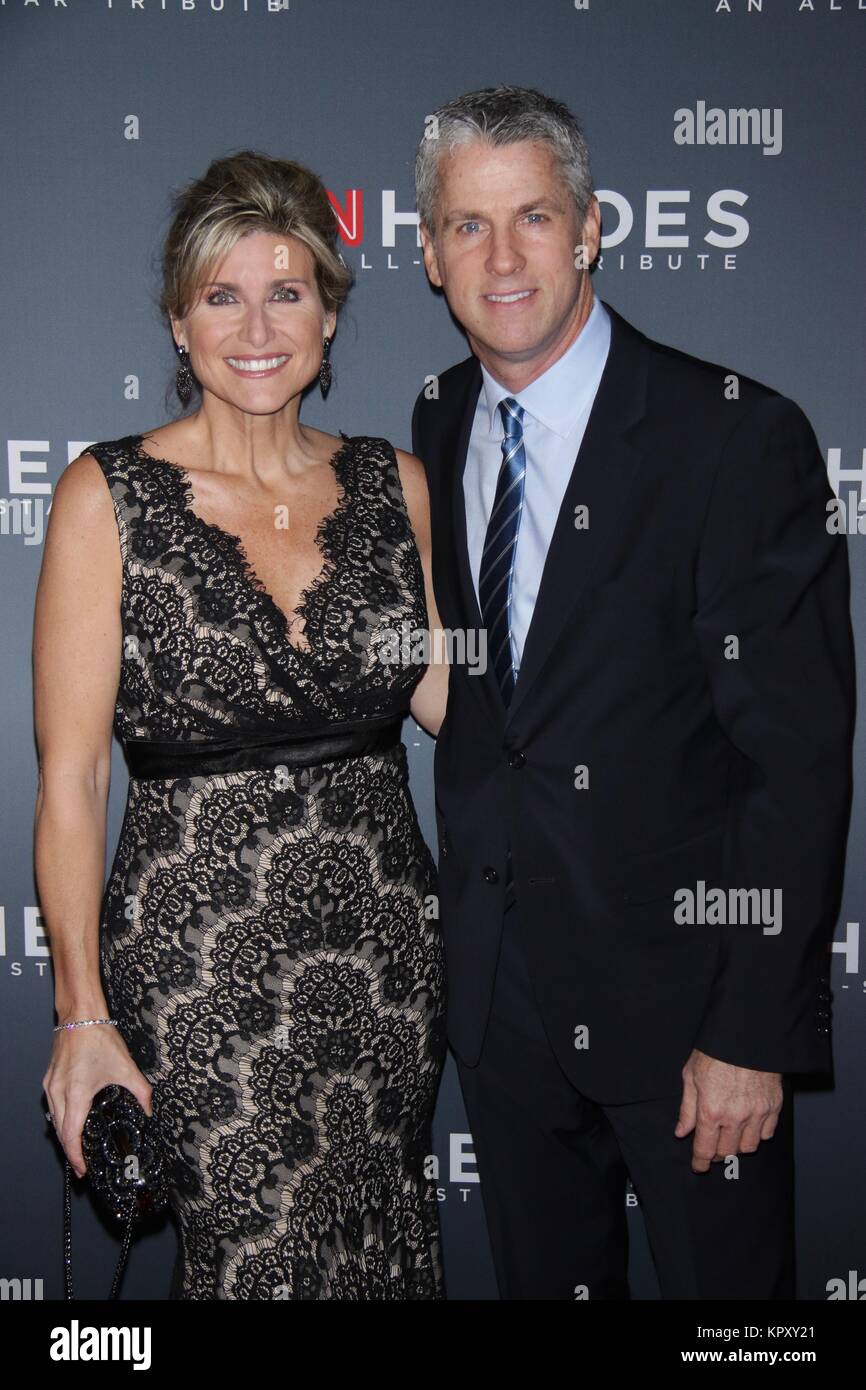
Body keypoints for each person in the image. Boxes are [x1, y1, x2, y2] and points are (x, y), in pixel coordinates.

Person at [411, 86, 855, 1300]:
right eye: (466, 226)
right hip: (502, 1009)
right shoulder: (440, 421)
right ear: (428, 253)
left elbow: (797, 760)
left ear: (591, 227)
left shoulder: (735, 436)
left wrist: (750, 1031)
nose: (501, 258)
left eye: (532, 217)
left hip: (688, 1020)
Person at [35, 150, 449, 1300]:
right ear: (178, 322)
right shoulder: (104, 495)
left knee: (376, 1251)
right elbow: (68, 783)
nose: (256, 325)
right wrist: (82, 1016)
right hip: (197, 963)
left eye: (288, 290)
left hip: (383, 959)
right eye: (222, 295)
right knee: (249, 1259)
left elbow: (455, 704)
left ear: (328, 312)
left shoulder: (394, 486)